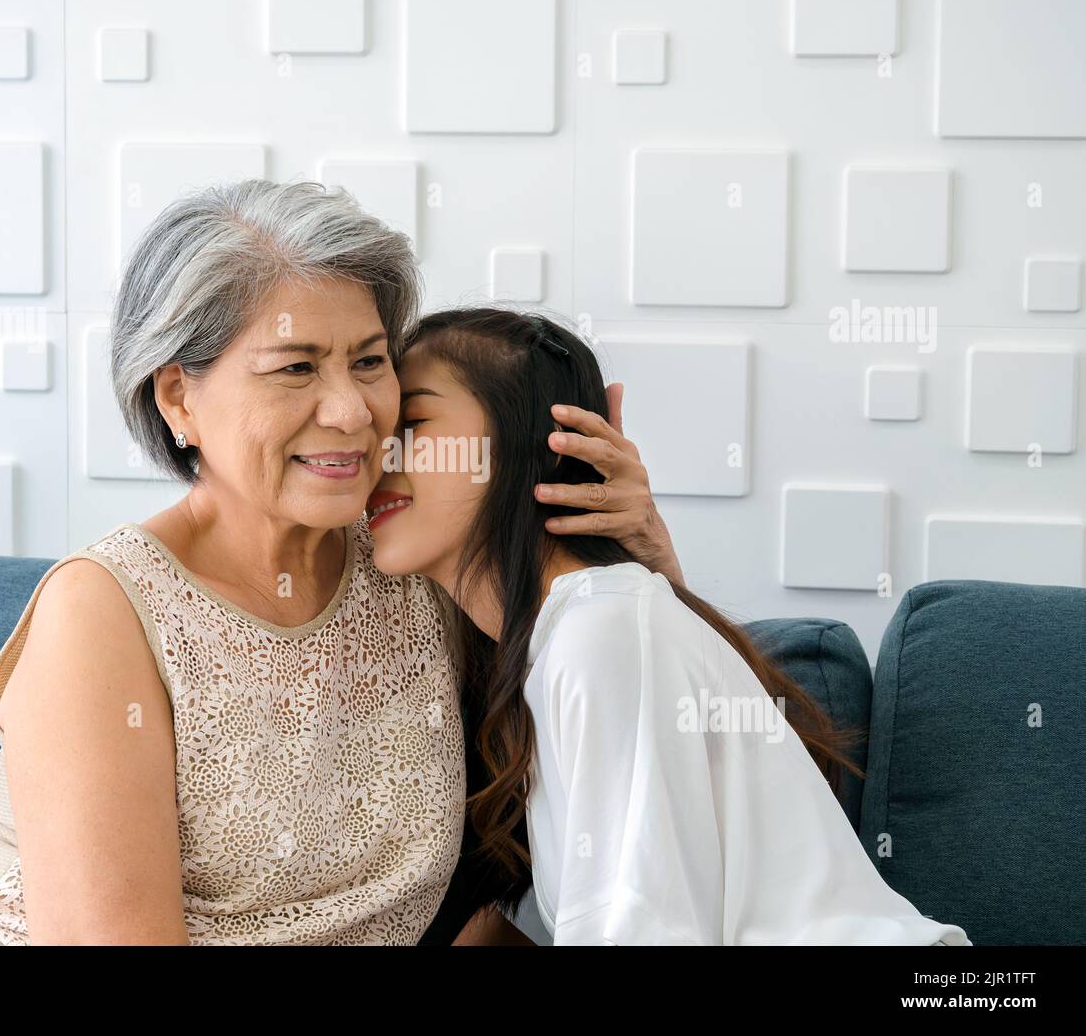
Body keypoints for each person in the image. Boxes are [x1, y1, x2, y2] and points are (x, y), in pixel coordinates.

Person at [0, 181, 676, 946]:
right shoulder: (104, 610)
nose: (352, 411)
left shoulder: (413, 560)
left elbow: (614, 786)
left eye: (370, 362)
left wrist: (639, 566)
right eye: (296, 366)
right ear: (178, 397)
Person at [367, 306, 973, 946]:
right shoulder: (564, 642)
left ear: (534, 445)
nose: (378, 454)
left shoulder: (601, 632)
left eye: (413, 424)